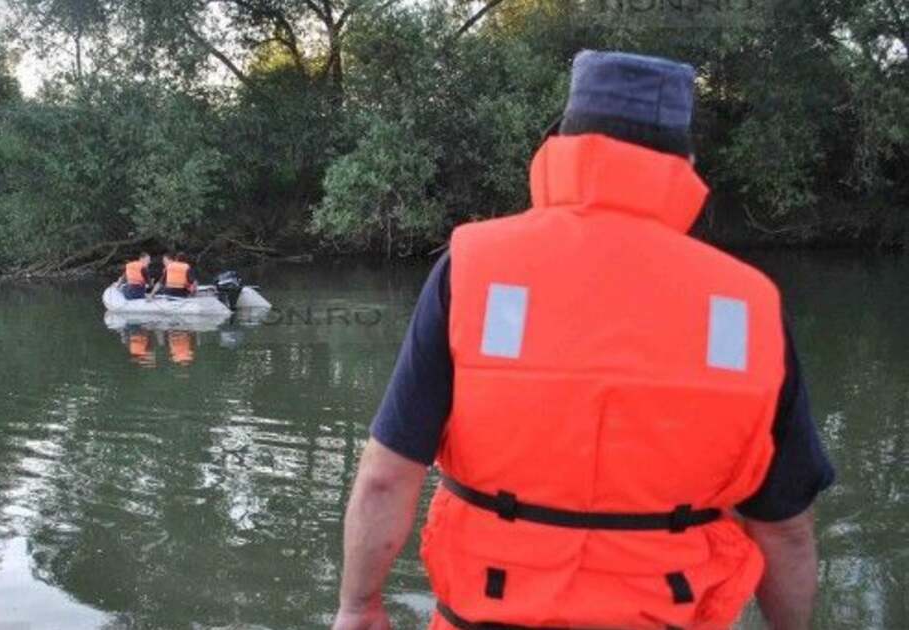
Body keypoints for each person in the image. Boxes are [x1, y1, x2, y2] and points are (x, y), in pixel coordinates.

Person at [334, 50, 835, 630]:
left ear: (563, 142)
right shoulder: (747, 307)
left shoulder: (475, 267)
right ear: (687, 159)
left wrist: (359, 606)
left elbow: (386, 477)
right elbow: (786, 529)